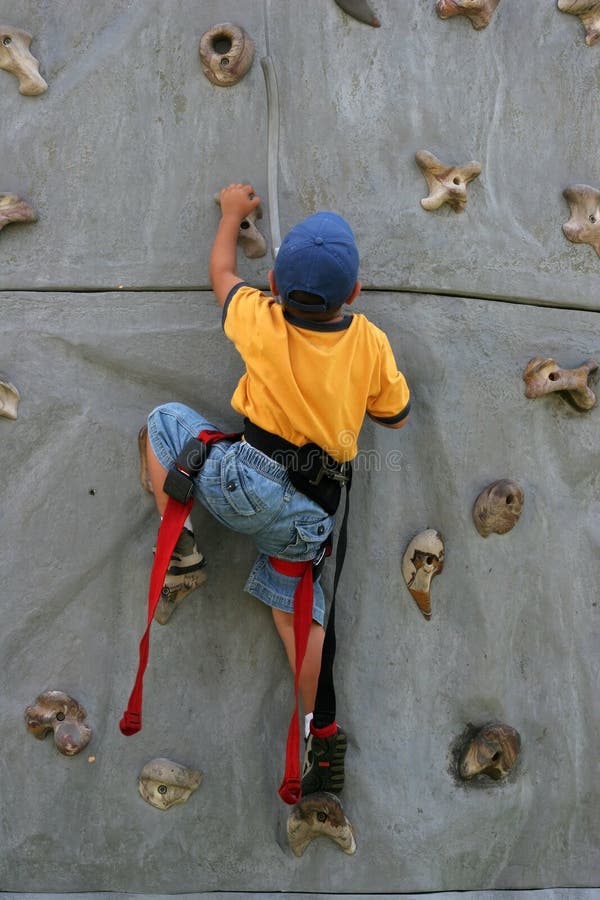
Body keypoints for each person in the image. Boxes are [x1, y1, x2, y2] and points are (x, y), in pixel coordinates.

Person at [144, 182, 410, 797]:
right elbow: (395, 415)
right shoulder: (369, 341)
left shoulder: (258, 318)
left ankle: (181, 546)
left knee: (163, 425)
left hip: (246, 479)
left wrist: (233, 214)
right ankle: (321, 725)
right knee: (298, 618)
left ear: (272, 288)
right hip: (308, 515)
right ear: (355, 293)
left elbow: (219, 270)